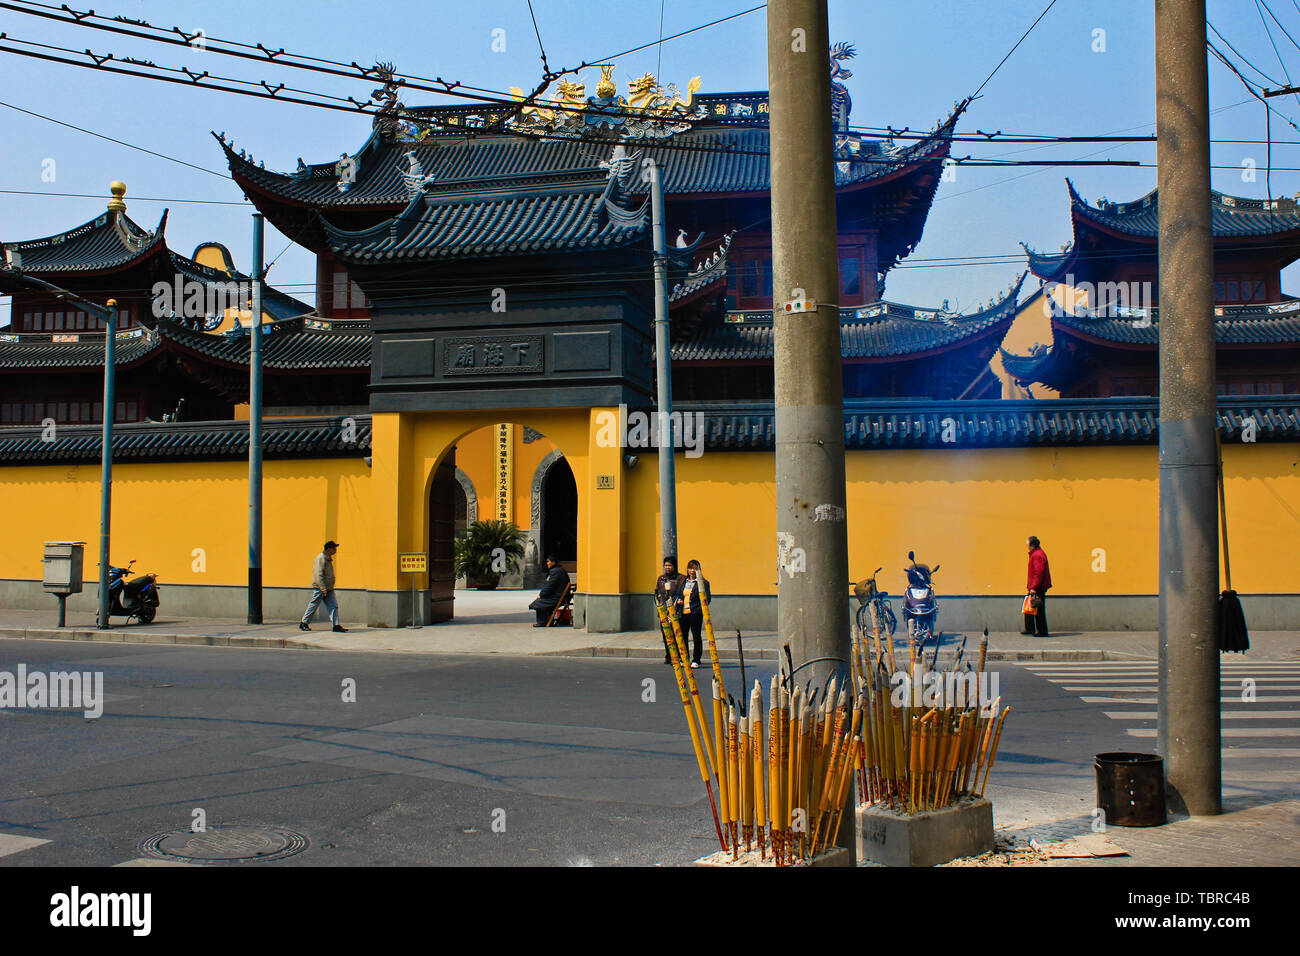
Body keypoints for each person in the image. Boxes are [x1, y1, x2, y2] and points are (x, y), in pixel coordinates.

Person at [300, 540, 347, 632]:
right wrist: (322, 587)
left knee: (334, 606)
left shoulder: (327, 558)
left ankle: (336, 625)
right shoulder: (321, 558)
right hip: (321, 588)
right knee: (314, 605)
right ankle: (304, 623)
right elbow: (318, 574)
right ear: (329, 549)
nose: (335, 550)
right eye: (334, 548)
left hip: (328, 588)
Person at [654, 555, 687, 665]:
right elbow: (657, 592)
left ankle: (679, 656)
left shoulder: (681, 578)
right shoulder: (661, 578)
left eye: (670, 565)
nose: (667, 567)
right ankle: (669, 656)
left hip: (676, 611)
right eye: (666, 565)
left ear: (674, 566)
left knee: (678, 634)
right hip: (664, 611)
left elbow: (681, 593)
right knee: (666, 635)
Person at [679, 559, 712, 669]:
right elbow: (679, 594)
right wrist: (679, 600)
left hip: (695, 614)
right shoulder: (684, 581)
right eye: (690, 568)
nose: (692, 571)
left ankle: (696, 659)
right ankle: (685, 658)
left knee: (696, 636)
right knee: (683, 637)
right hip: (683, 613)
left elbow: (707, 599)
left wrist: (697, 609)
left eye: (694, 568)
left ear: (698, 569)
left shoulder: (703, 583)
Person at [529, 555, 571, 626]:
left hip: (558, 597)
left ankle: (542, 622)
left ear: (553, 562)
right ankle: (548, 621)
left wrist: (541, 594)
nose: (547, 563)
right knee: (542, 600)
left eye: (548, 561)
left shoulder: (555, 571)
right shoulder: (559, 570)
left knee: (538, 602)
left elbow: (549, 585)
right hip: (561, 596)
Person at [1023, 535, 1052, 637]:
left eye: (1027, 543)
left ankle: (1042, 631)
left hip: (1038, 587)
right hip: (1036, 586)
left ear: (1032, 545)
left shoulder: (1037, 555)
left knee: (1038, 610)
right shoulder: (1036, 554)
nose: (1026, 545)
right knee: (1029, 607)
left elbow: (1038, 573)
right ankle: (1030, 629)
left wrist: (1034, 587)